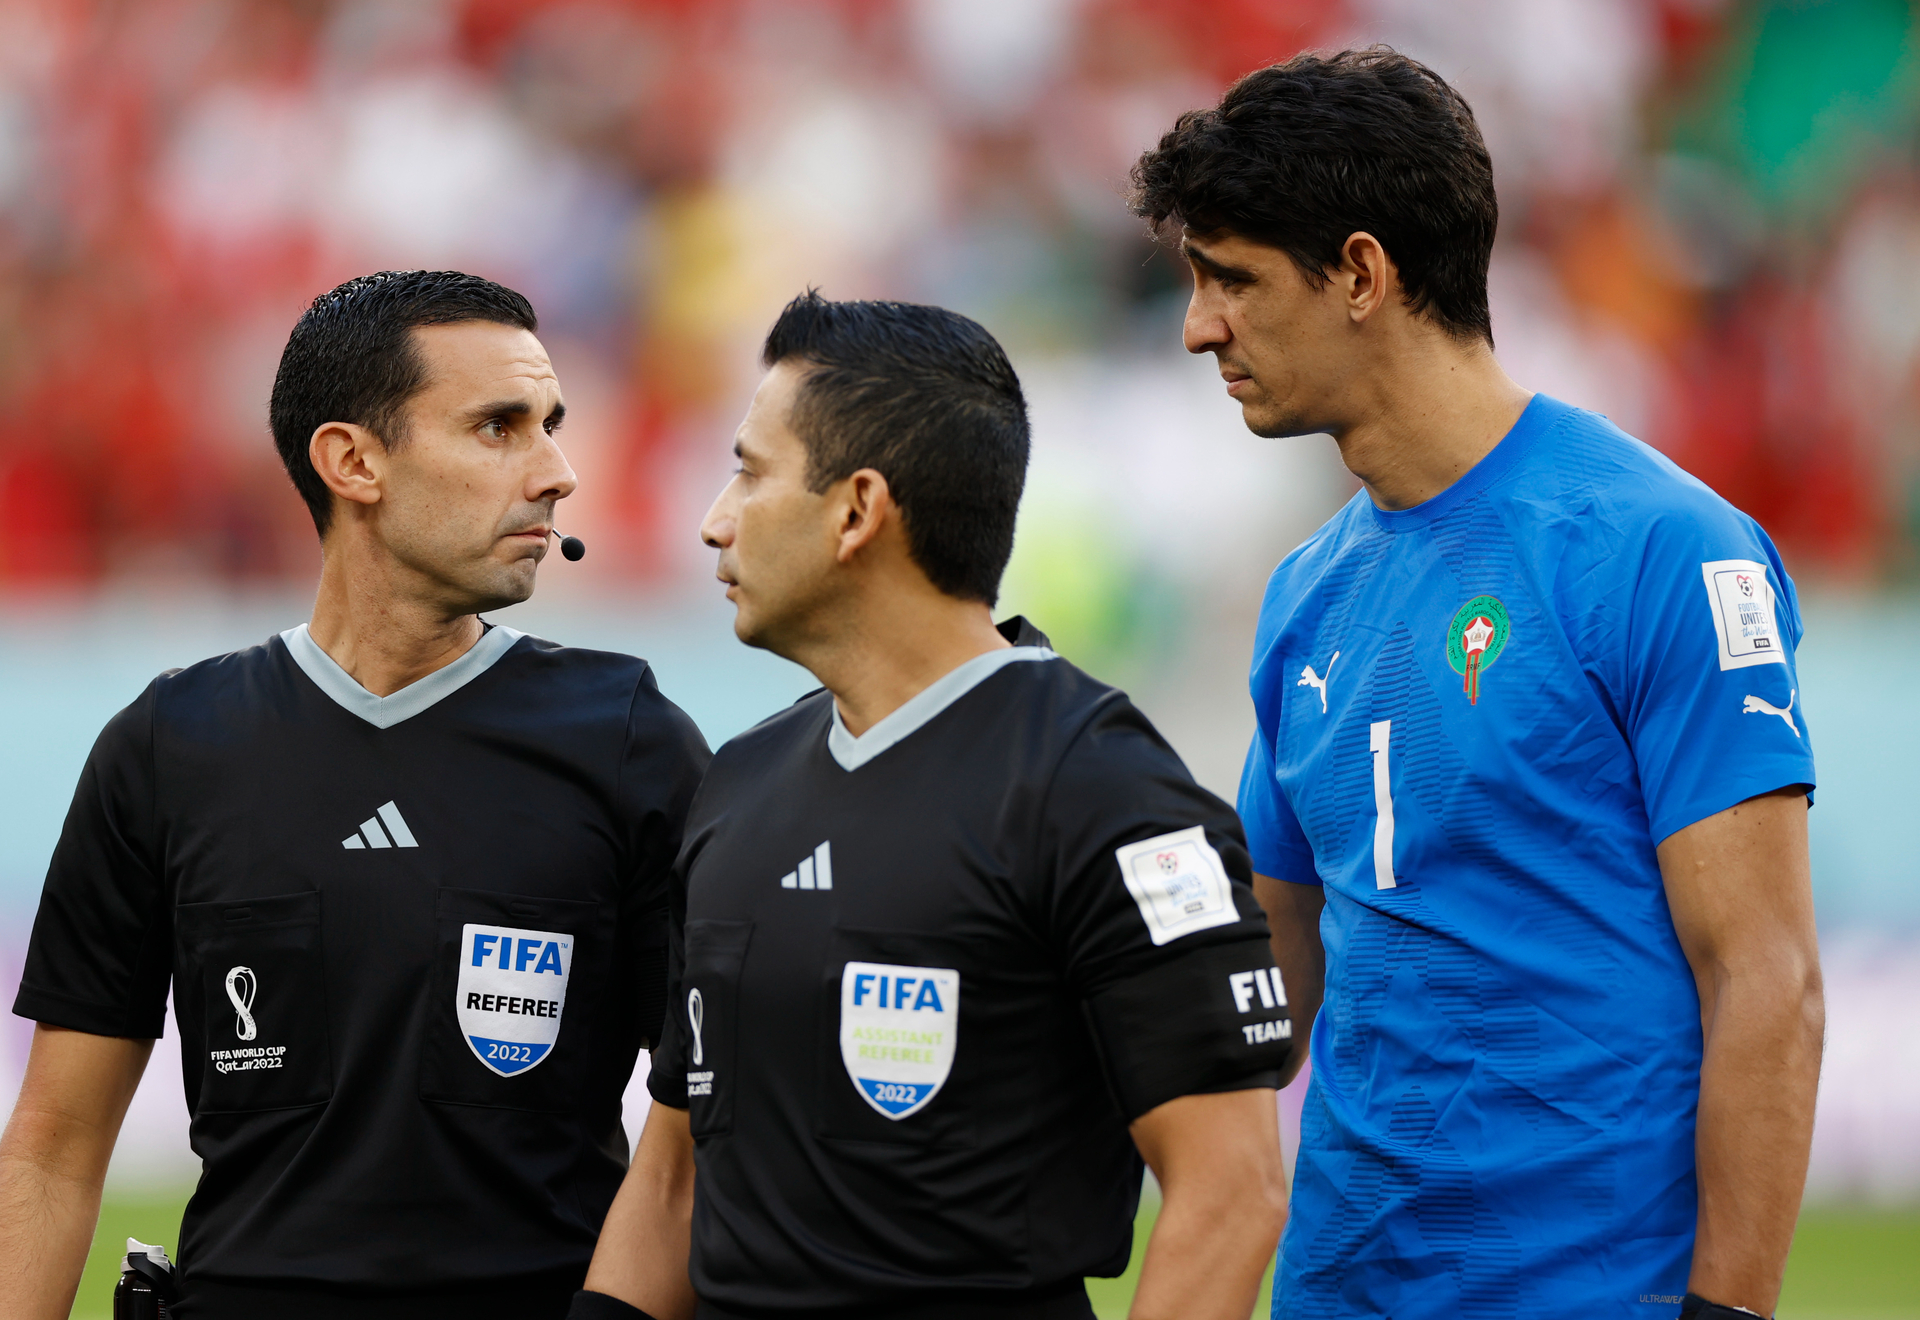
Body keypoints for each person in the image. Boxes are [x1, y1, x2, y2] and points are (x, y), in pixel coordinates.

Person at [1128, 47, 1823, 1320]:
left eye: (1231, 279)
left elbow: (1765, 981)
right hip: (1340, 1291)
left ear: (1359, 274)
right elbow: (1269, 991)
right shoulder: (1304, 600)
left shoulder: (1660, 549)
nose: (1198, 326)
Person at [0, 270, 710, 1320]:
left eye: (550, 424)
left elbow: (706, 1133)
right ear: (353, 462)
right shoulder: (168, 747)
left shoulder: (630, 741)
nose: (558, 471)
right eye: (499, 427)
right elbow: (55, 1153)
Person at [570, 292, 1292, 1320]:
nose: (714, 519)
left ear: (857, 509)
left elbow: (1232, 1191)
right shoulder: (736, 783)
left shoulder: (1101, 789)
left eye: (750, 471)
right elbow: (674, 1183)